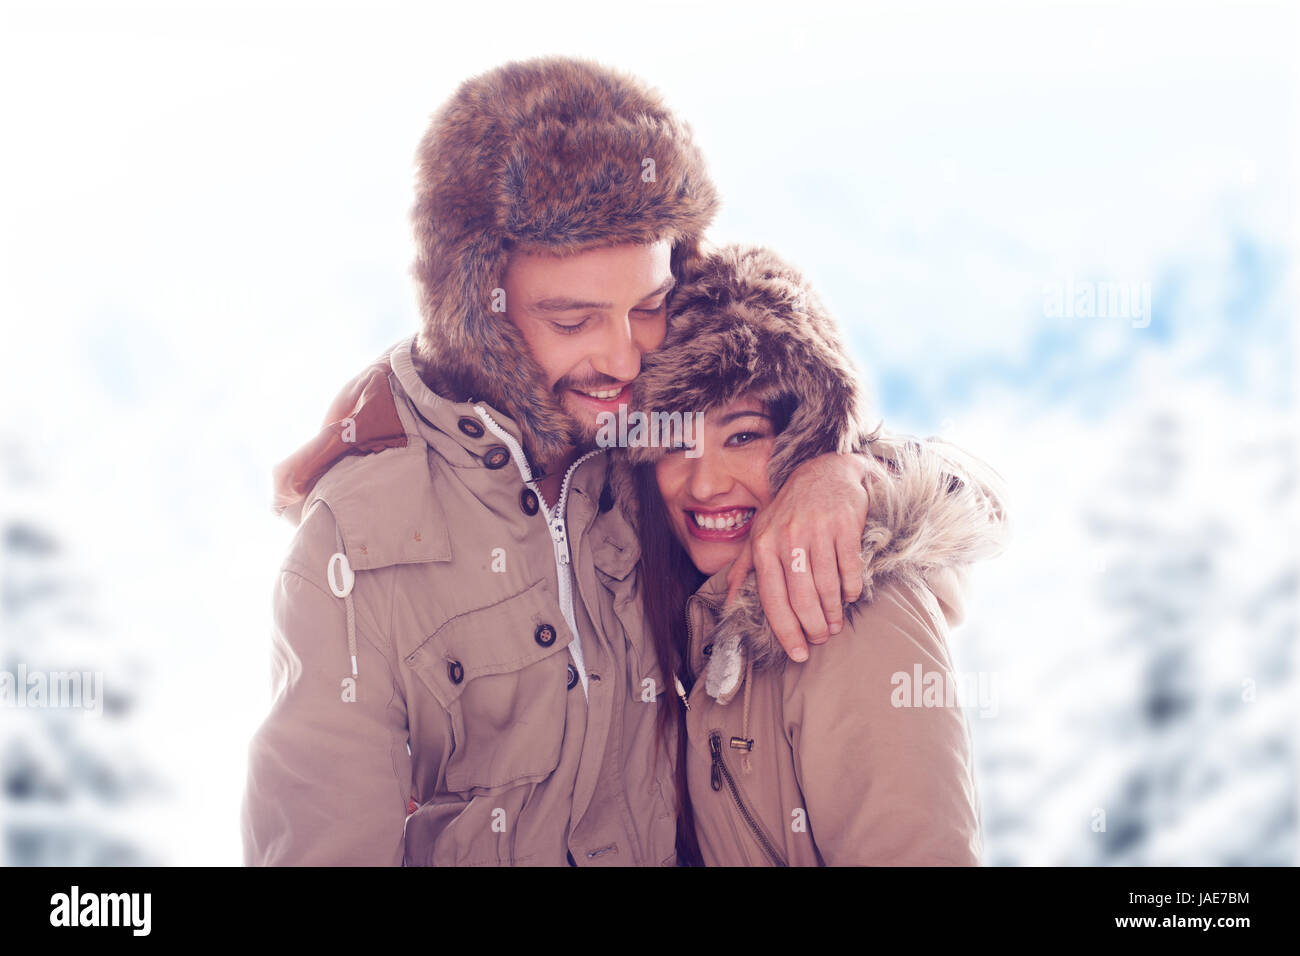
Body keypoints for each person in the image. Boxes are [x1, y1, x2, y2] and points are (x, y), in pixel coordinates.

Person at [242, 57, 996, 866]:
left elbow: (848, 438)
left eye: (650, 307)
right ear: (478, 318)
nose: (625, 360)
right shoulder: (355, 541)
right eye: (572, 322)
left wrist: (844, 473)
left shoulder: (648, 451)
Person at [609, 243, 1009, 865]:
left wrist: (850, 469)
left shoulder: (854, 607)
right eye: (674, 443)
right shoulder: (674, 616)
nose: (704, 484)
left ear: (808, 439)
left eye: (743, 436)